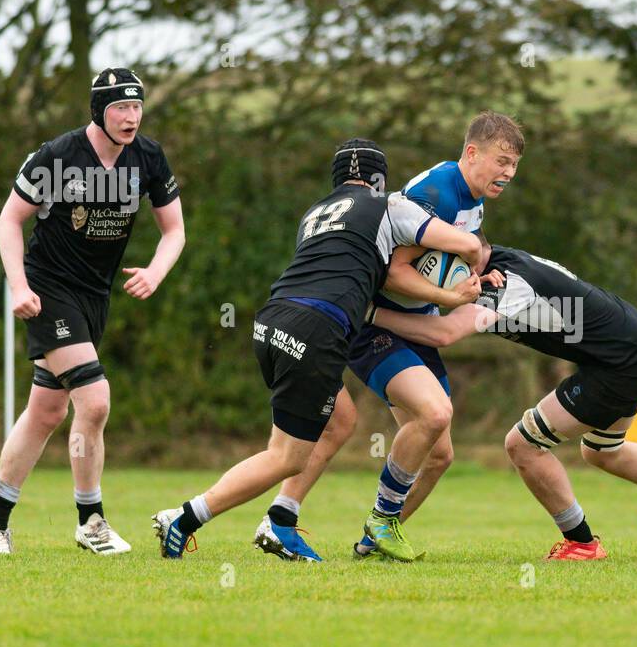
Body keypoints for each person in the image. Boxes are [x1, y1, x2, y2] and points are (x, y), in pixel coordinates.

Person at [151, 139, 484, 562]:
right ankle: (183, 519)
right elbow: (469, 246)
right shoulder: (388, 207)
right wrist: (454, 291)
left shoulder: (314, 215)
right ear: (380, 180)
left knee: (339, 421)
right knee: (286, 456)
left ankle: (281, 521)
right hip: (319, 328)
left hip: (272, 320)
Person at [254, 111, 521, 556]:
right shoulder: (436, 193)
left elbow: (451, 256)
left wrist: (476, 275)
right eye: (502, 161)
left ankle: (365, 542)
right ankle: (357, 520)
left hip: (415, 325)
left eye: (514, 165)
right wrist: (447, 295)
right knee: (432, 415)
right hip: (377, 324)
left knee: (438, 454)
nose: (508, 172)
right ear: (472, 153)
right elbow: (390, 272)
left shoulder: (473, 199)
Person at [371, 245, 637, 560]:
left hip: (619, 364)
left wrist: (371, 314)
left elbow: (445, 333)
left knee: (523, 445)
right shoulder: (499, 264)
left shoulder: (505, 287)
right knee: (603, 451)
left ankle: (581, 543)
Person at [0, 68, 185, 556]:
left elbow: (174, 231)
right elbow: (9, 219)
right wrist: (18, 286)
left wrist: (156, 271)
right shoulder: (58, 155)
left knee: (46, 410)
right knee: (95, 398)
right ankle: (92, 521)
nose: (130, 118)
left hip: (94, 297)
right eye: (120, 108)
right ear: (98, 112)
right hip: (47, 289)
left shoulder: (147, 157)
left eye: (136, 107)